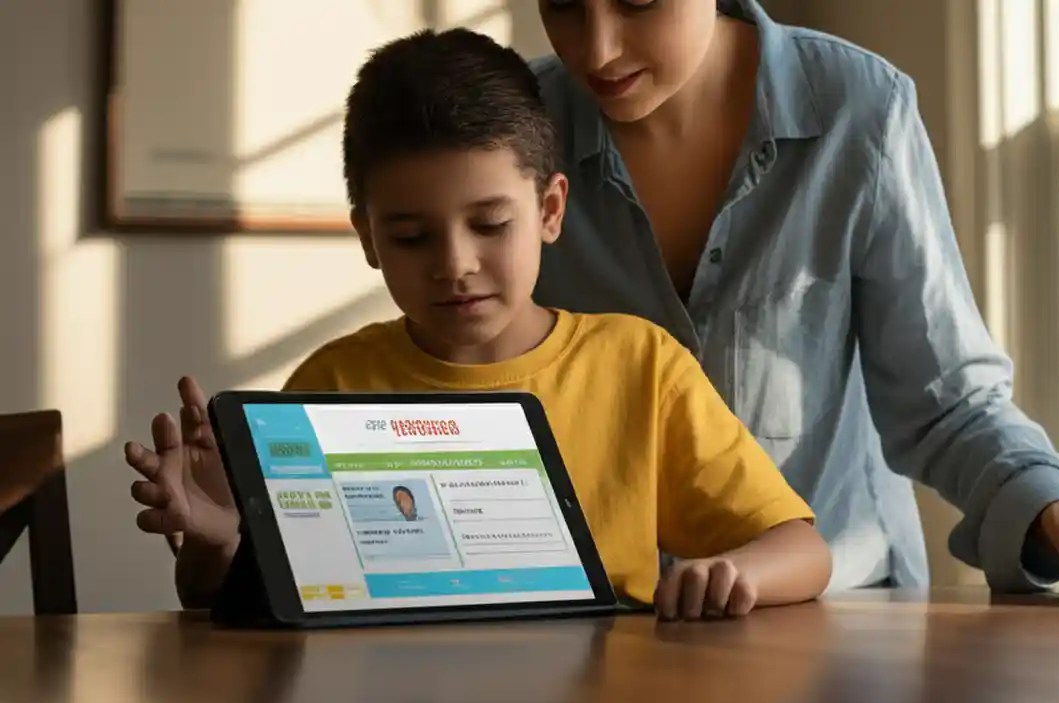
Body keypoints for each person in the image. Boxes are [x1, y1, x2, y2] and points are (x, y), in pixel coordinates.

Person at [529, 0, 1059, 605]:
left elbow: (946, 403)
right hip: (602, 625)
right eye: (562, 3)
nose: (595, 48)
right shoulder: (521, 129)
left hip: (843, 622)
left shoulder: (861, 109)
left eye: (637, 1)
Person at [123, 28, 832, 621]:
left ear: (550, 211)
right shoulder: (331, 386)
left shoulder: (640, 368)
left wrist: (739, 577)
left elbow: (801, 550)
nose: (455, 265)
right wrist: (220, 545)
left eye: (490, 224)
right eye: (409, 236)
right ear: (368, 238)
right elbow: (235, 608)